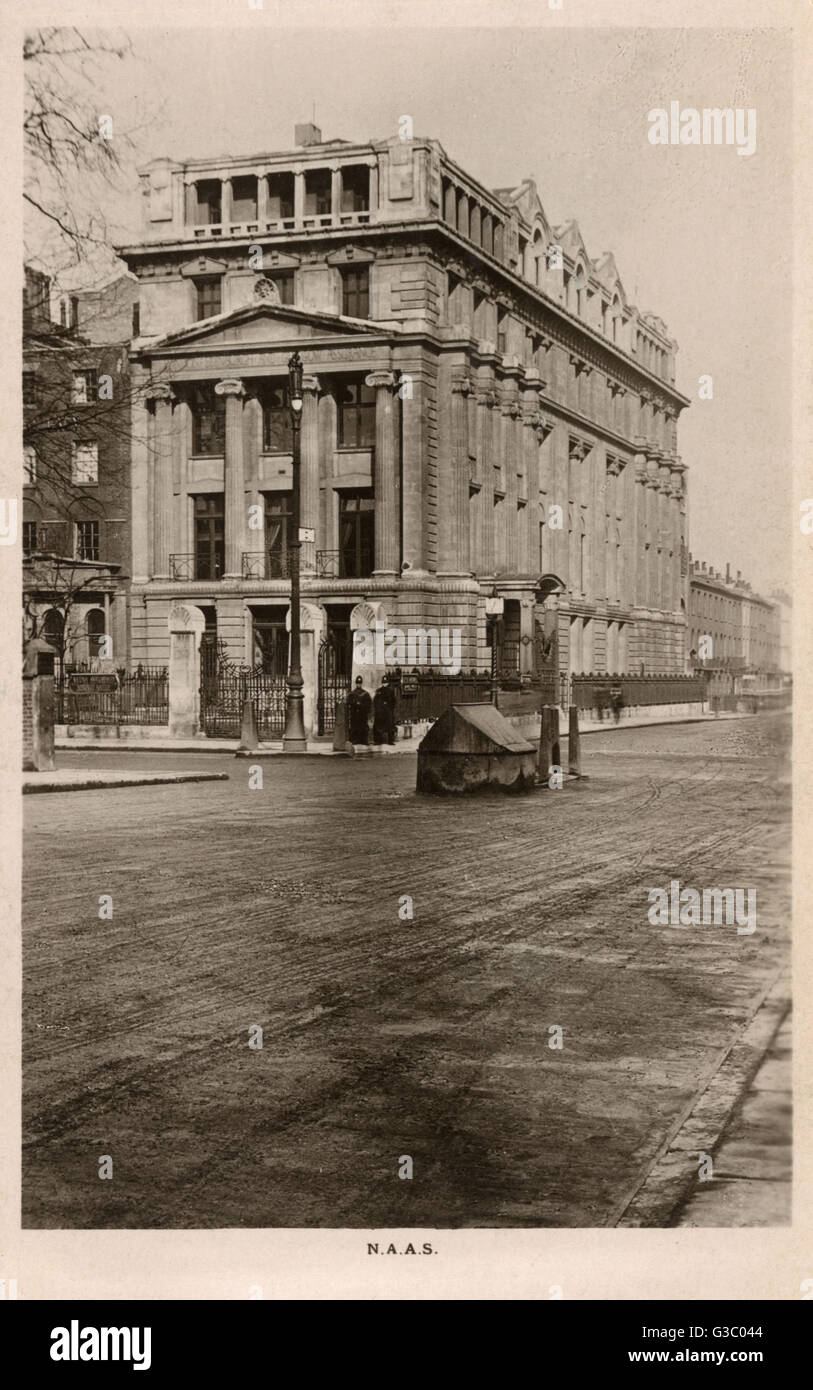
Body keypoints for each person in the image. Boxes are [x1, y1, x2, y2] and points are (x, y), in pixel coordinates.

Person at [372, 673, 397, 745]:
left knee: (390, 726)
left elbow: (393, 701)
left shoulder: (390, 691)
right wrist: (378, 708)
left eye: (385, 683)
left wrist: (390, 708)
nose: (384, 684)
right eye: (383, 683)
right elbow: (375, 701)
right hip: (381, 711)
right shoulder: (379, 691)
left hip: (388, 711)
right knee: (378, 726)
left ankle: (390, 740)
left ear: (388, 683)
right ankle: (378, 740)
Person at [346, 675, 372, 745]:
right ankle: (354, 740)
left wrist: (363, 706)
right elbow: (348, 703)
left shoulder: (365, 694)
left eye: (360, 683)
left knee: (363, 727)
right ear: (356, 684)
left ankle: (363, 740)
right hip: (355, 713)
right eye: (357, 683)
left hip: (362, 714)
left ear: (361, 684)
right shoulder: (352, 694)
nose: (359, 685)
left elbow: (369, 703)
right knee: (354, 727)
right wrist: (355, 704)